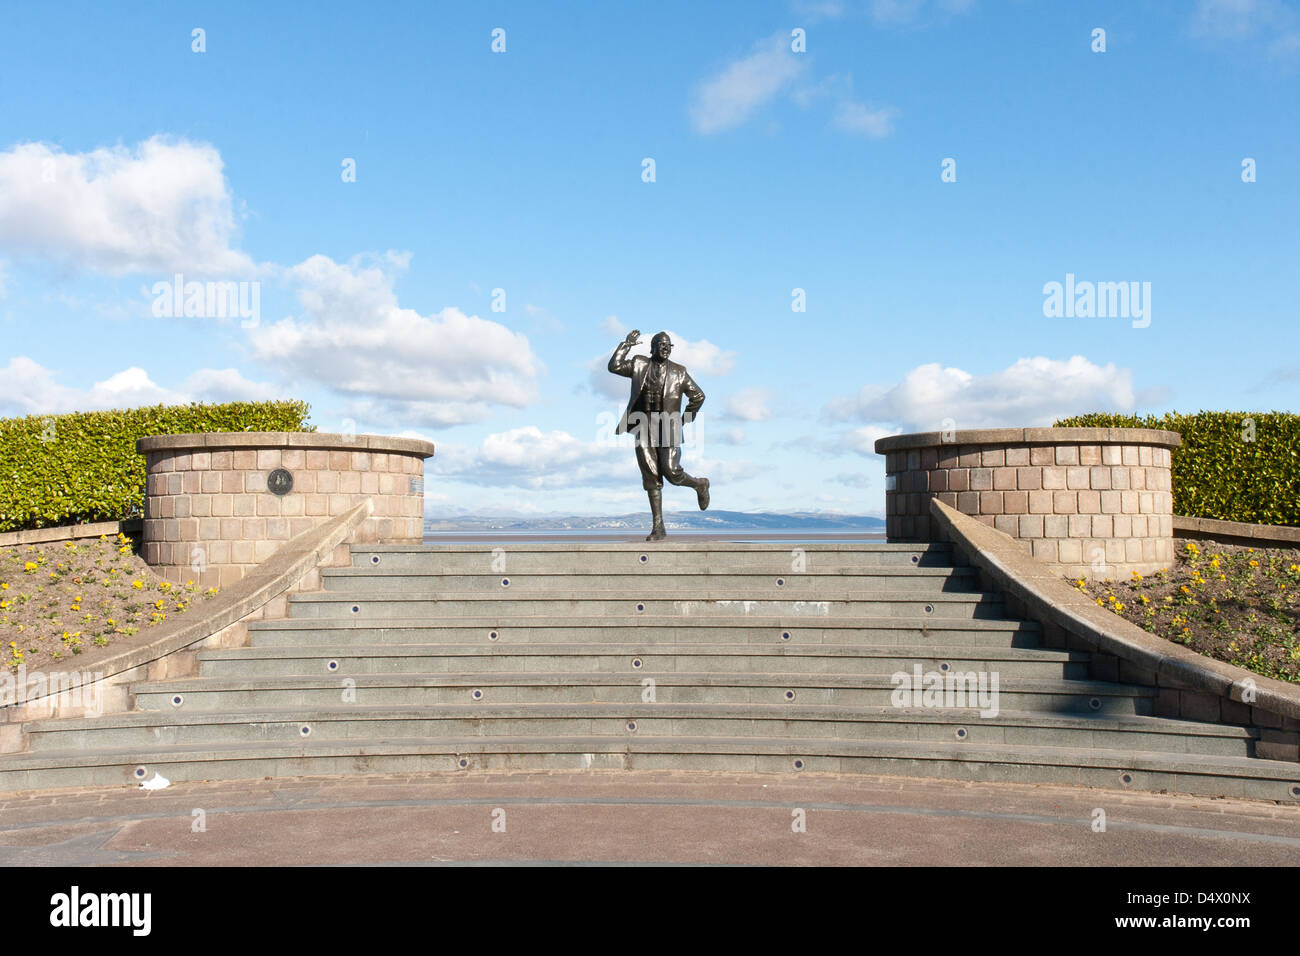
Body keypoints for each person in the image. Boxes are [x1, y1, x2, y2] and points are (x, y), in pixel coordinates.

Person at [608, 329, 710, 541]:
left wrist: (685, 419)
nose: (665, 348)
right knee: (651, 476)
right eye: (661, 345)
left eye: (668, 345)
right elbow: (614, 366)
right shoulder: (639, 364)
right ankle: (658, 527)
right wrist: (626, 345)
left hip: (668, 426)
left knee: (672, 472)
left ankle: (700, 484)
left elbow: (698, 396)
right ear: (652, 347)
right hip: (643, 425)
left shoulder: (679, 372)